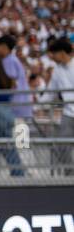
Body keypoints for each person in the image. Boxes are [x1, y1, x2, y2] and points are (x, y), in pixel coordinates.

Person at [41, 37, 74, 175]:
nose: (51, 57)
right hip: (68, 114)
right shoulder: (57, 71)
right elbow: (50, 92)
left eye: (53, 54)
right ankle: (70, 174)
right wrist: (37, 107)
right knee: (62, 146)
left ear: (61, 53)